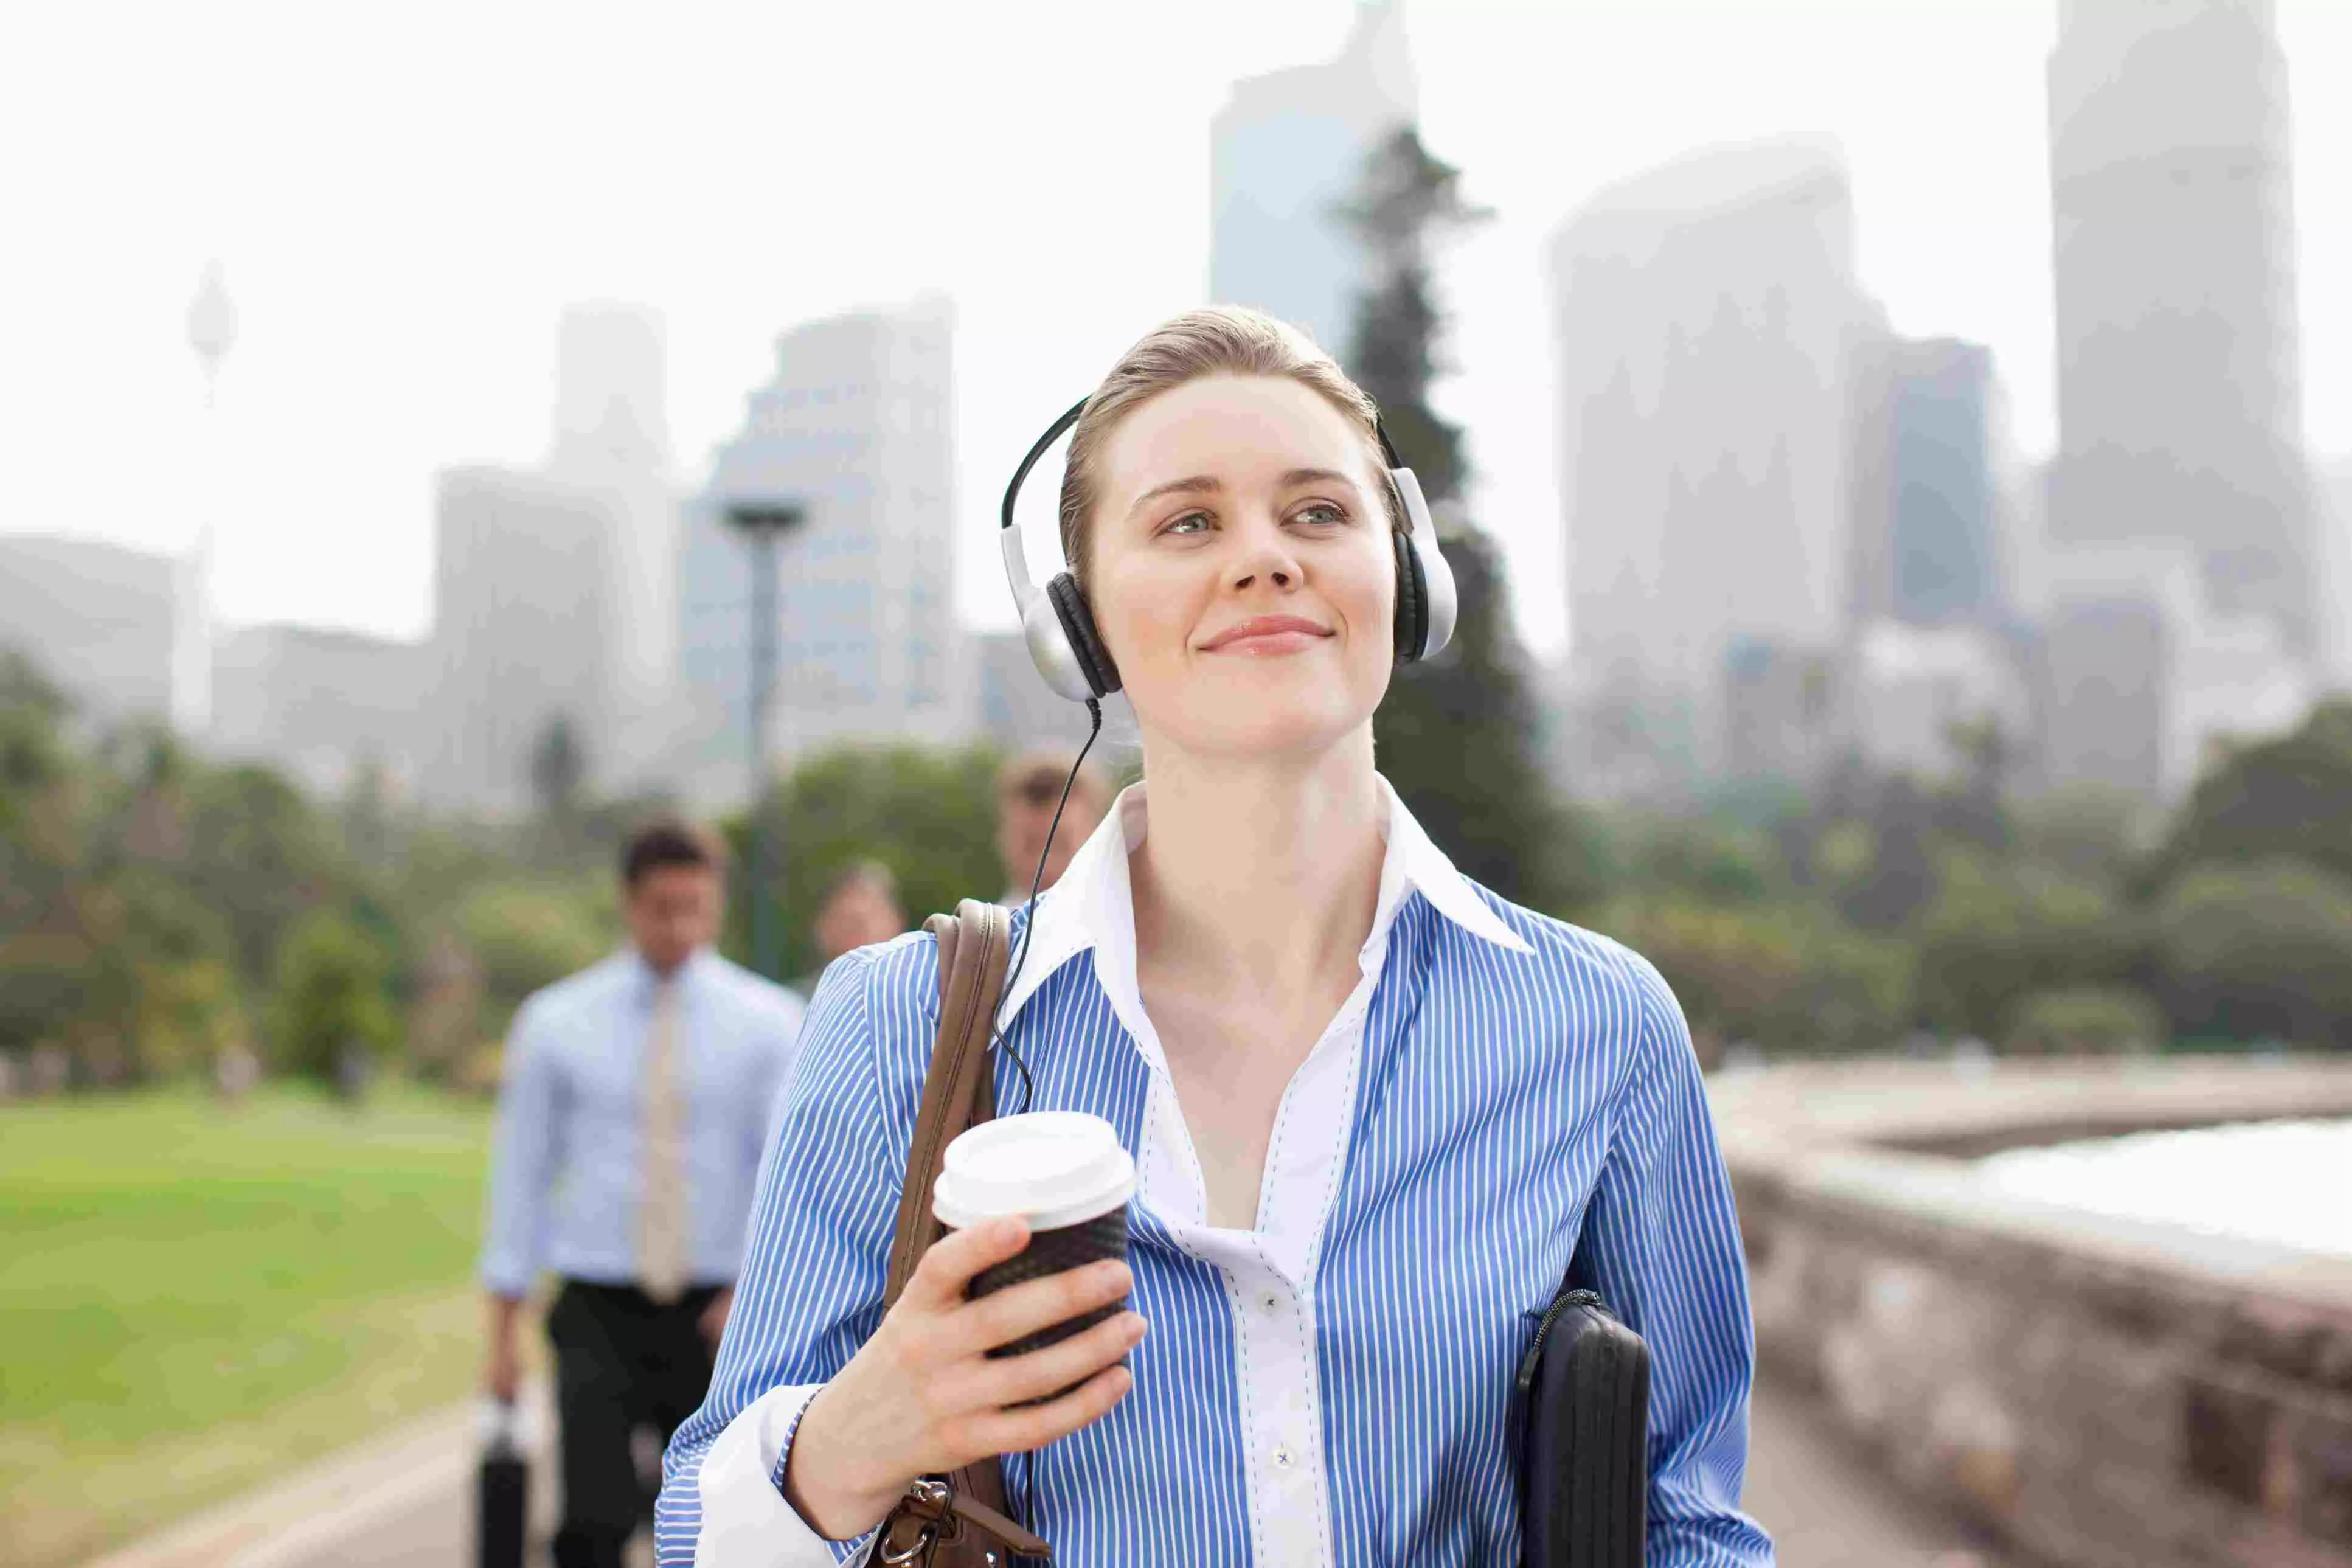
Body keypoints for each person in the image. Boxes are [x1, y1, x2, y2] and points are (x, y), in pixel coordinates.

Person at [657, 308, 1771, 1564]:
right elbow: (701, 1526)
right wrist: (852, 1435)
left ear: (1404, 573)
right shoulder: (896, 1024)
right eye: (1188, 522)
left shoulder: (1600, 1027)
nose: (1263, 558)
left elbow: (1687, 1521)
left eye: (1317, 513)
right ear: (1079, 627)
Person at [480, 820, 808, 1568]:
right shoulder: (555, 1022)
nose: (679, 925)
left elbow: (785, 1175)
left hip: (719, 1318)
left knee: (712, 1526)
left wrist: (756, 1294)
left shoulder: (769, 1024)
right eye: (663, 906)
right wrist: (502, 1333)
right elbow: (520, 1177)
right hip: (598, 1304)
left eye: (696, 905)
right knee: (591, 1522)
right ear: (629, 903)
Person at [996, 748, 1112, 903]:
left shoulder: (1132, 923)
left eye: (1060, 845)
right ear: (1003, 840)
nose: (1044, 866)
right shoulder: (970, 926)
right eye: (1030, 846)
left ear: (1097, 840)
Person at [789, 860, 907, 999]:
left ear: (897, 922)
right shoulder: (786, 1006)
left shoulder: (921, 1001)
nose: (859, 932)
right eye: (847, 919)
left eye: (871, 916)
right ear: (821, 926)